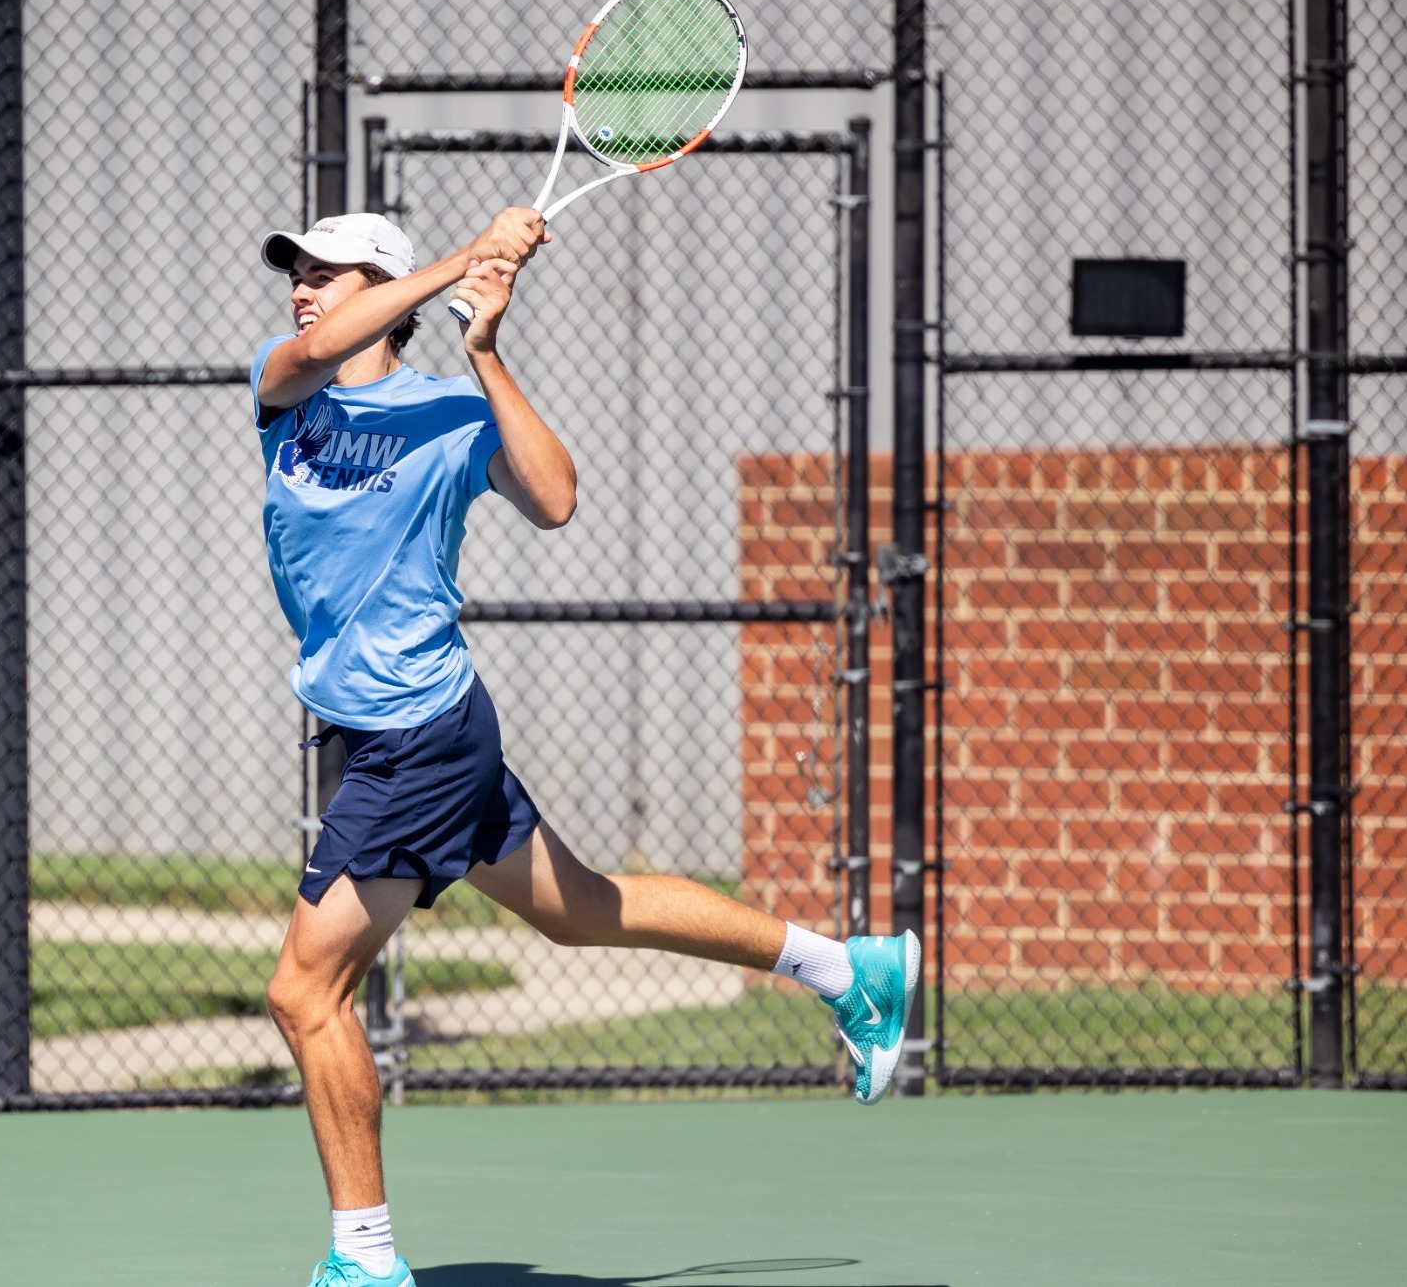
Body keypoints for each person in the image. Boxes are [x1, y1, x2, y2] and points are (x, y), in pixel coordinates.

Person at [250, 208, 918, 1287]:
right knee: (583, 909)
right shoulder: (285, 393)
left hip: (419, 734)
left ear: (378, 284)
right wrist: (465, 257)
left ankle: (364, 1262)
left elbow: (556, 499)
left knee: (303, 992)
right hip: (382, 728)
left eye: (326, 272)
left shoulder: (452, 416)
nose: (302, 288)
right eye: (298, 271)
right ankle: (845, 968)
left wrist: (485, 348)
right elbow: (319, 347)